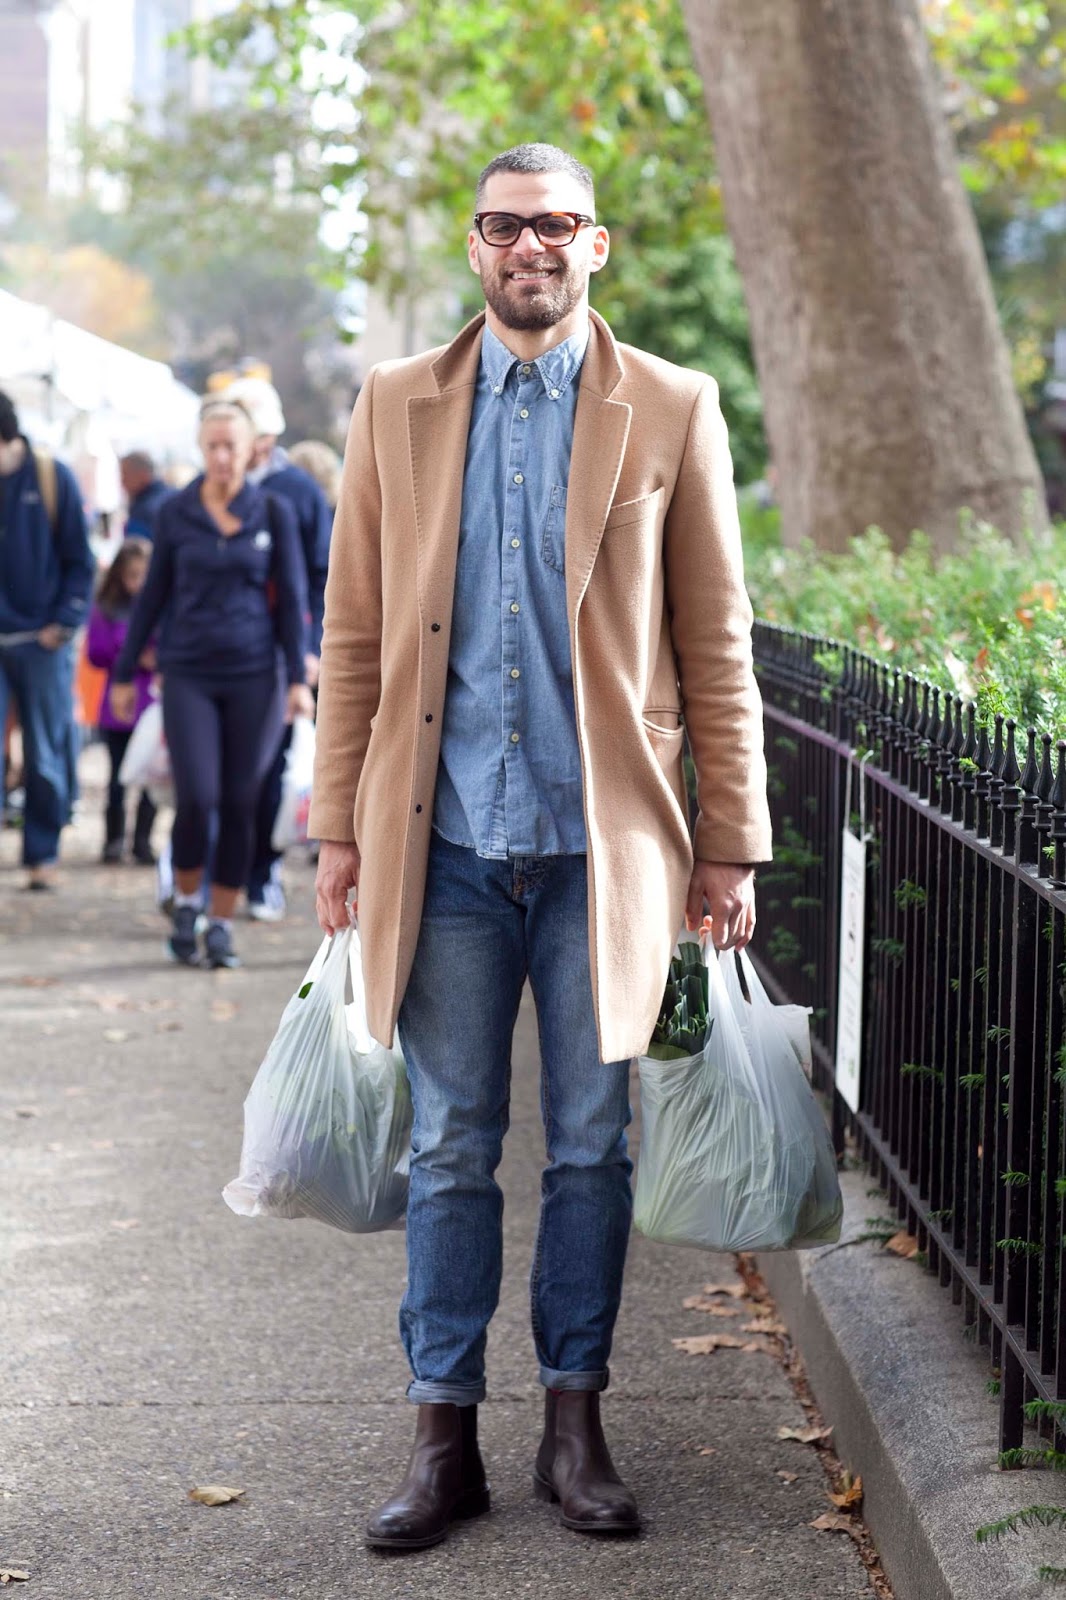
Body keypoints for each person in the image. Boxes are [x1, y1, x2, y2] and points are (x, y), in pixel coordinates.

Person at [310, 143, 773, 1549]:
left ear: (595, 245)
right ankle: (440, 1434)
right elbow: (351, 641)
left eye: (554, 225)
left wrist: (730, 848)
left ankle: (575, 1424)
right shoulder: (394, 406)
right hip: (440, 846)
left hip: (602, 853)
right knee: (450, 1147)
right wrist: (335, 829)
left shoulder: (671, 410)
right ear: (473, 247)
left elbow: (717, 640)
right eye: (506, 226)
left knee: (589, 1148)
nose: (531, 248)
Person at [110, 399, 313, 970]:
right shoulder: (176, 513)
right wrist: (125, 673)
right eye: (212, 446)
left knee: (242, 801)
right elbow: (151, 598)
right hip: (190, 673)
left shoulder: (272, 512)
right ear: (202, 450)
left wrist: (298, 679)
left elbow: (293, 601)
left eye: (232, 445)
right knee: (197, 798)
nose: (222, 456)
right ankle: (186, 900)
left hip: (257, 675)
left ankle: (221, 923)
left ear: (253, 449)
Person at [221, 378, 333, 921]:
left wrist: (308, 651)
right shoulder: (210, 489)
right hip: (216, 654)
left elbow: (321, 575)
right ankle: (205, 873)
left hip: (279, 656)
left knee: (267, 771)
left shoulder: (300, 493)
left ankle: (260, 872)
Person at [0, 387, 95, 891]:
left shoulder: (49, 476)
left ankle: (42, 852)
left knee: (44, 752)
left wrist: (63, 624)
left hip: (41, 641)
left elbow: (81, 560)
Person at [86, 537, 158, 865]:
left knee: (152, 776)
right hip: (119, 707)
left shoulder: (163, 607)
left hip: (153, 705)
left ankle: (142, 840)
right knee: (117, 775)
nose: (139, 583)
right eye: (132, 575)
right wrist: (129, 657)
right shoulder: (107, 609)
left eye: (145, 575)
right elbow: (95, 654)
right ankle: (113, 839)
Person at [119, 452, 173, 540]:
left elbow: (134, 549)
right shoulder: (172, 495)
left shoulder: (146, 510)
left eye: (125, 474)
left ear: (143, 474)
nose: (122, 481)